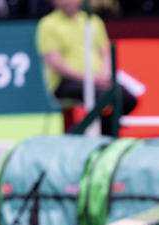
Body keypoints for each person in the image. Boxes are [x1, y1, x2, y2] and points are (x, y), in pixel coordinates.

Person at [36, 0, 136, 135]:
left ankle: (104, 135)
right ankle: (78, 132)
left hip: (98, 80)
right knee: (104, 97)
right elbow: (56, 63)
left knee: (127, 98)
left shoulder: (93, 21)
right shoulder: (47, 25)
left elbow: (105, 53)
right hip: (65, 82)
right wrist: (89, 79)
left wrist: (105, 74)